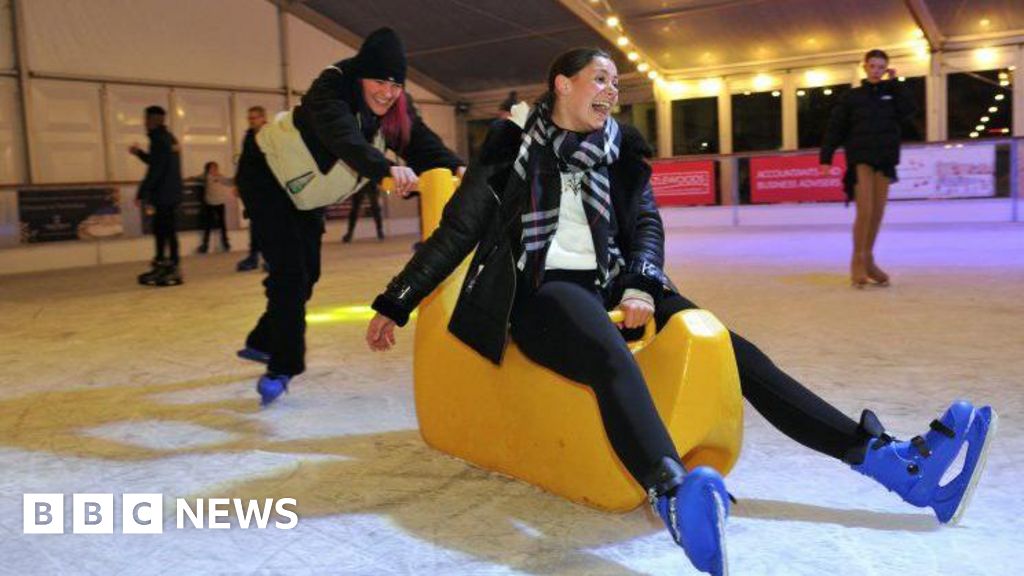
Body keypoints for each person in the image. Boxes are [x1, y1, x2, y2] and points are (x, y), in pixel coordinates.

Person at [366, 48, 996, 576]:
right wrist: (397, 302)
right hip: (537, 292)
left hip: (616, 283)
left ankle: (895, 464)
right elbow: (455, 232)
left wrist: (642, 284)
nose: (612, 90)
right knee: (608, 354)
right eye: (600, 78)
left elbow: (644, 227)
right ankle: (672, 493)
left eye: (617, 82)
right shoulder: (508, 152)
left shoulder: (621, 155)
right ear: (562, 84)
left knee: (729, 346)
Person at [237, 27, 464, 406]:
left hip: (304, 191)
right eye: (378, 81)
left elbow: (421, 143)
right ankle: (283, 366)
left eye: (395, 85)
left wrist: (459, 169)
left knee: (307, 274)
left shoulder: (396, 106)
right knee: (291, 276)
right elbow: (343, 137)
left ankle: (262, 339)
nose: (386, 93)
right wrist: (385, 169)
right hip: (265, 176)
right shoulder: (329, 90)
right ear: (361, 76)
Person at [820, 49, 916, 288]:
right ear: (864, 67)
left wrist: (895, 85)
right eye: (872, 66)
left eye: (880, 67)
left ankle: (869, 260)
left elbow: (910, 111)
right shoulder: (852, 97)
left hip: (884, 160)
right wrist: (826, 156)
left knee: (877, 213)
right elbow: (835, 127)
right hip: (860, 159)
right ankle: (858, 262)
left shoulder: (891, 95)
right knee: (865, 211)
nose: (876, 71)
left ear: (886, 70)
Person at [131, 105, 184, 287]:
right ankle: (164, 264)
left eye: (147, 119)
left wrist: (142, 191)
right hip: (170, 192)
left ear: (155, 120)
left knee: (164, 230)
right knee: (165, 230)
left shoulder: (159, 140)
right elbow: (157, 162)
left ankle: (170, 267)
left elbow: (156, 169)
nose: (144, 123)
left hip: (164, 193)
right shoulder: (168, 138)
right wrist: (138, 153)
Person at [236, 106, 268, 272]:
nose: (251, 121)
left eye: (254, 118)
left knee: (270, 225)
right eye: (250, 118)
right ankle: (253, 256)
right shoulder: (248, 137)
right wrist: (238, 182)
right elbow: (244, 162)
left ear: (263, 118)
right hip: (253, 189)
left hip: (269, 189)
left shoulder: (270, 136)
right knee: (255, 224)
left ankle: (271, 258)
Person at [197, 161, 232, 253]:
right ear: (208, 169)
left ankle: (225, 243)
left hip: (220, 203)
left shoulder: (220, 177)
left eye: (216, 168)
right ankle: (205, 245)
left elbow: (229, 182)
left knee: (222, 224)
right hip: (209, 203)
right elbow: (194, 178)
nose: (214, 170)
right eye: (212, 168)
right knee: (207, 224)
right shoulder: (205, 176)